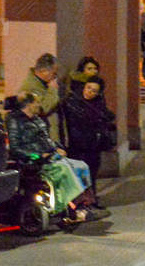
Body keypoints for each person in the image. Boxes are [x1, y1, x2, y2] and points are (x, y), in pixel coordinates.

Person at [6, 93, 102, 222]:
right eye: (37, 102)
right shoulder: (14, 120)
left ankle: (84, 204)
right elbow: (16, 148)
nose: (39, 105)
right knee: (64, 170)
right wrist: (38, 156)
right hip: (33, 161)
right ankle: (72, 208)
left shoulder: (37, 119)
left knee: (82, 166)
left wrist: (58, 148)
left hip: (50, 156)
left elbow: (46, 139)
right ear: (29, 105)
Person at [61, 75, 118, 198]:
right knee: (79, 175)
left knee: (92, 174)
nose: (89, 92)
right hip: (78, 145)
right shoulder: (73, 101)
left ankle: (91, 200)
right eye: (88, 88)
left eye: (94, 91)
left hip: (93, 145)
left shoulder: (98, 104)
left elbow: (108, 116)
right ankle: (80, 204)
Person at [18, 53, 61, 130]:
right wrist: (52, 90)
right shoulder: (30, 88)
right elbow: (43, 109)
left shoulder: (43, 84)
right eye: (54, 74)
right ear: (44, 71)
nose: (55, 77)